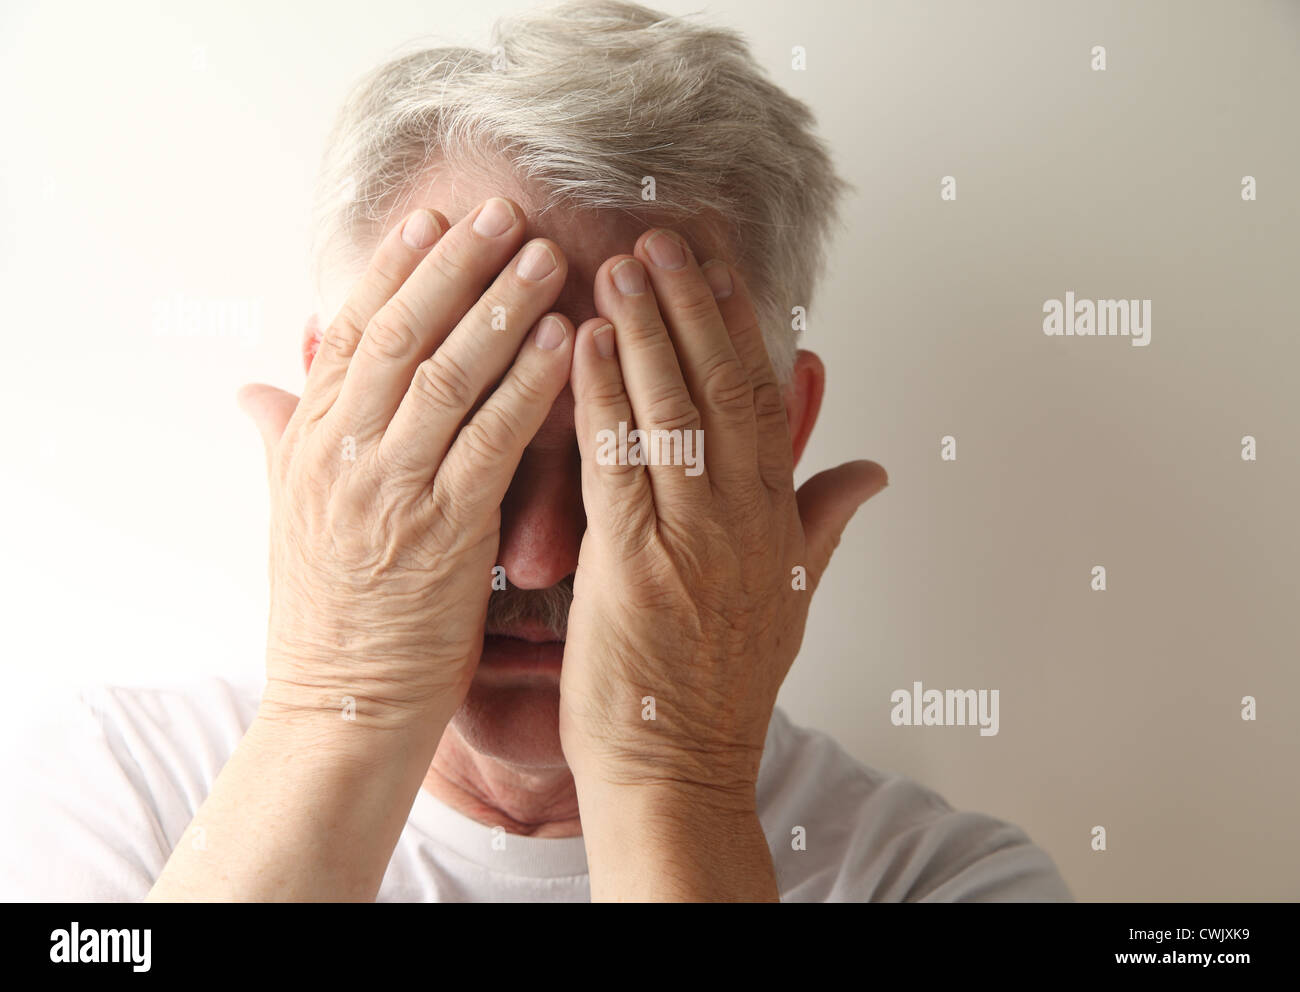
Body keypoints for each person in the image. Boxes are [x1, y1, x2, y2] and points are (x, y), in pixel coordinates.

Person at [0, 0, 1070, 902]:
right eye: (468, 441)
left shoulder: (939, 880)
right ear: (336, 421)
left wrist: (671, 774)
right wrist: (346, 704)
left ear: (775, 433)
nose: (544, 556)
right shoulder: (103, 795)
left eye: (635, 453)